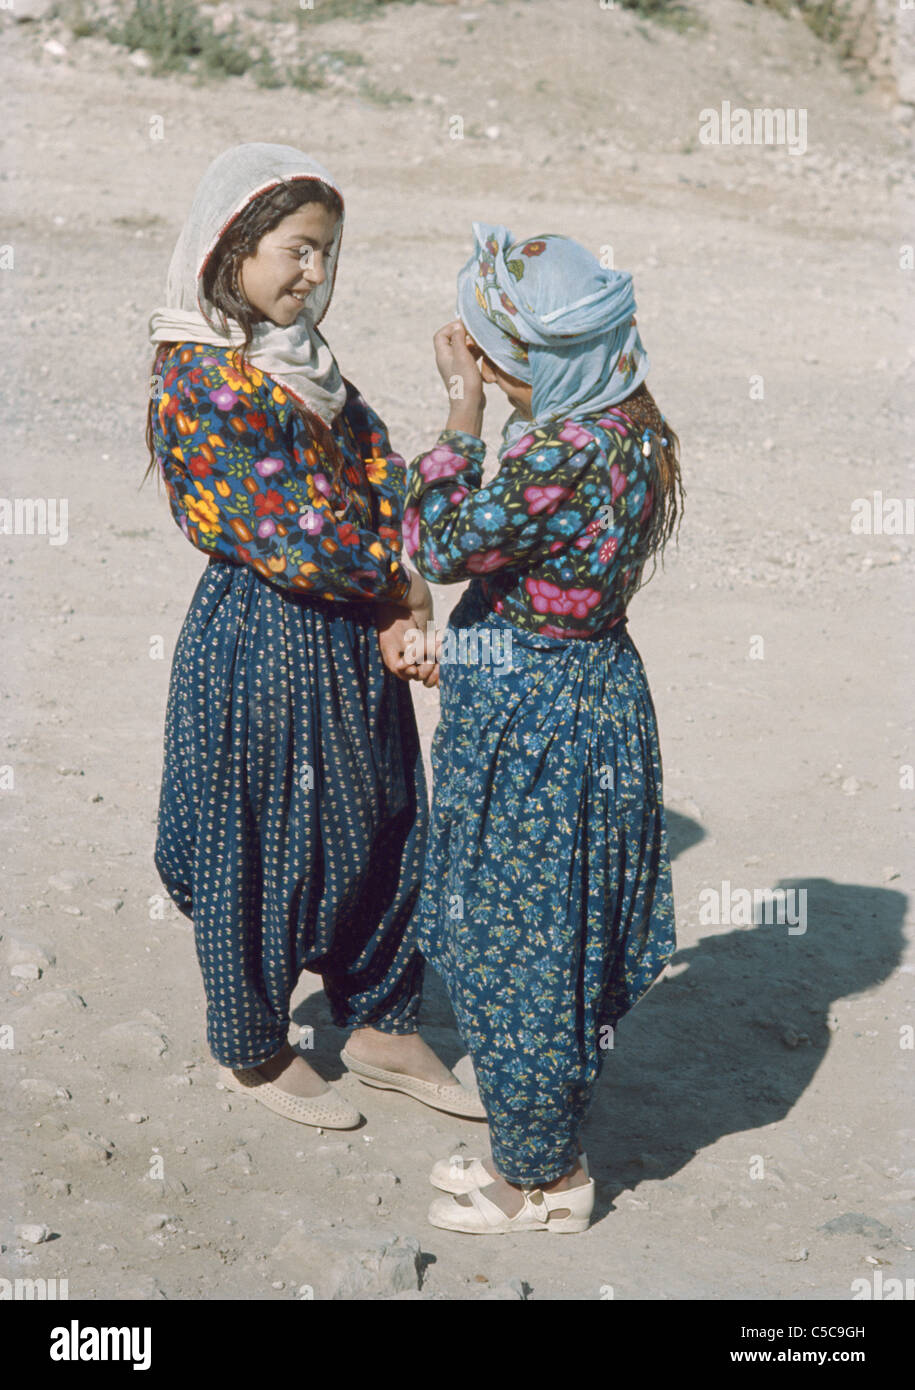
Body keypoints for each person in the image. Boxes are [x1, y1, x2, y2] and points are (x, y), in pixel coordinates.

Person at [145, 143, 483, 1130]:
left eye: (328, 255)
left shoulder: (304, 364)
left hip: (347, 628)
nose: (314, 274)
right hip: (265, 635)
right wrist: (398, 582)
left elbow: (378, 464)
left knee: (383, 815)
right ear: (231, 246)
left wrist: (396, 597)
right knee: (261, 835)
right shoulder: (200, 378)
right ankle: (249, 1047)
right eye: (297, 249)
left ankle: (379, 1020)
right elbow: (292, 529)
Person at [402, 223, 683, 1231]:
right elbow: (546, 575)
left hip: (539, 723)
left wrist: (459, 415)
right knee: (559, 936)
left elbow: (438, 543)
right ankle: (539, 1142)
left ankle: (541, 1180)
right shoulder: (632, 425)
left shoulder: (562, 448)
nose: (477, 363)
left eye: (489, 350)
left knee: (521, 942)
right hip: (594, 693)